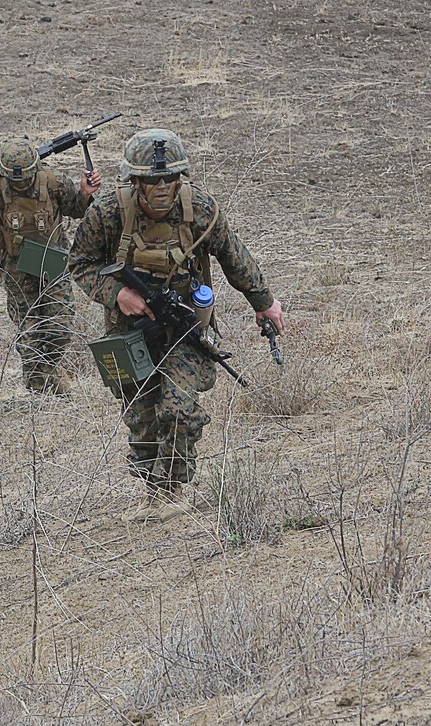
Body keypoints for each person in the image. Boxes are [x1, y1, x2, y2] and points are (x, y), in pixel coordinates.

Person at [69, 128, 285, 523]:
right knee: (141, 415)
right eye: (151, 181)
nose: (162, 188)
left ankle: (171, 490)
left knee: (179, 409)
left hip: (184, 327)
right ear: (134, 180)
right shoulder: (108, 212)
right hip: (129, 329)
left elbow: (233, 255)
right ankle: (151, 490)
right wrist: (118, 293)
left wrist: (264, 303)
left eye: (170, 179)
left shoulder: (199, 209)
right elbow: (80, 264)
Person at [0, 137, 102, 394]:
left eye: (25, 179)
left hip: (52, 262)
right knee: (30, 331)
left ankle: (48, 372)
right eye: (15, 181)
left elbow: (76, 210)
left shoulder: (54, 180)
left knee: (60, 326)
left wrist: (85, 194)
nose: (21, 184)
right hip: (16, 267)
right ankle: (38, 387)